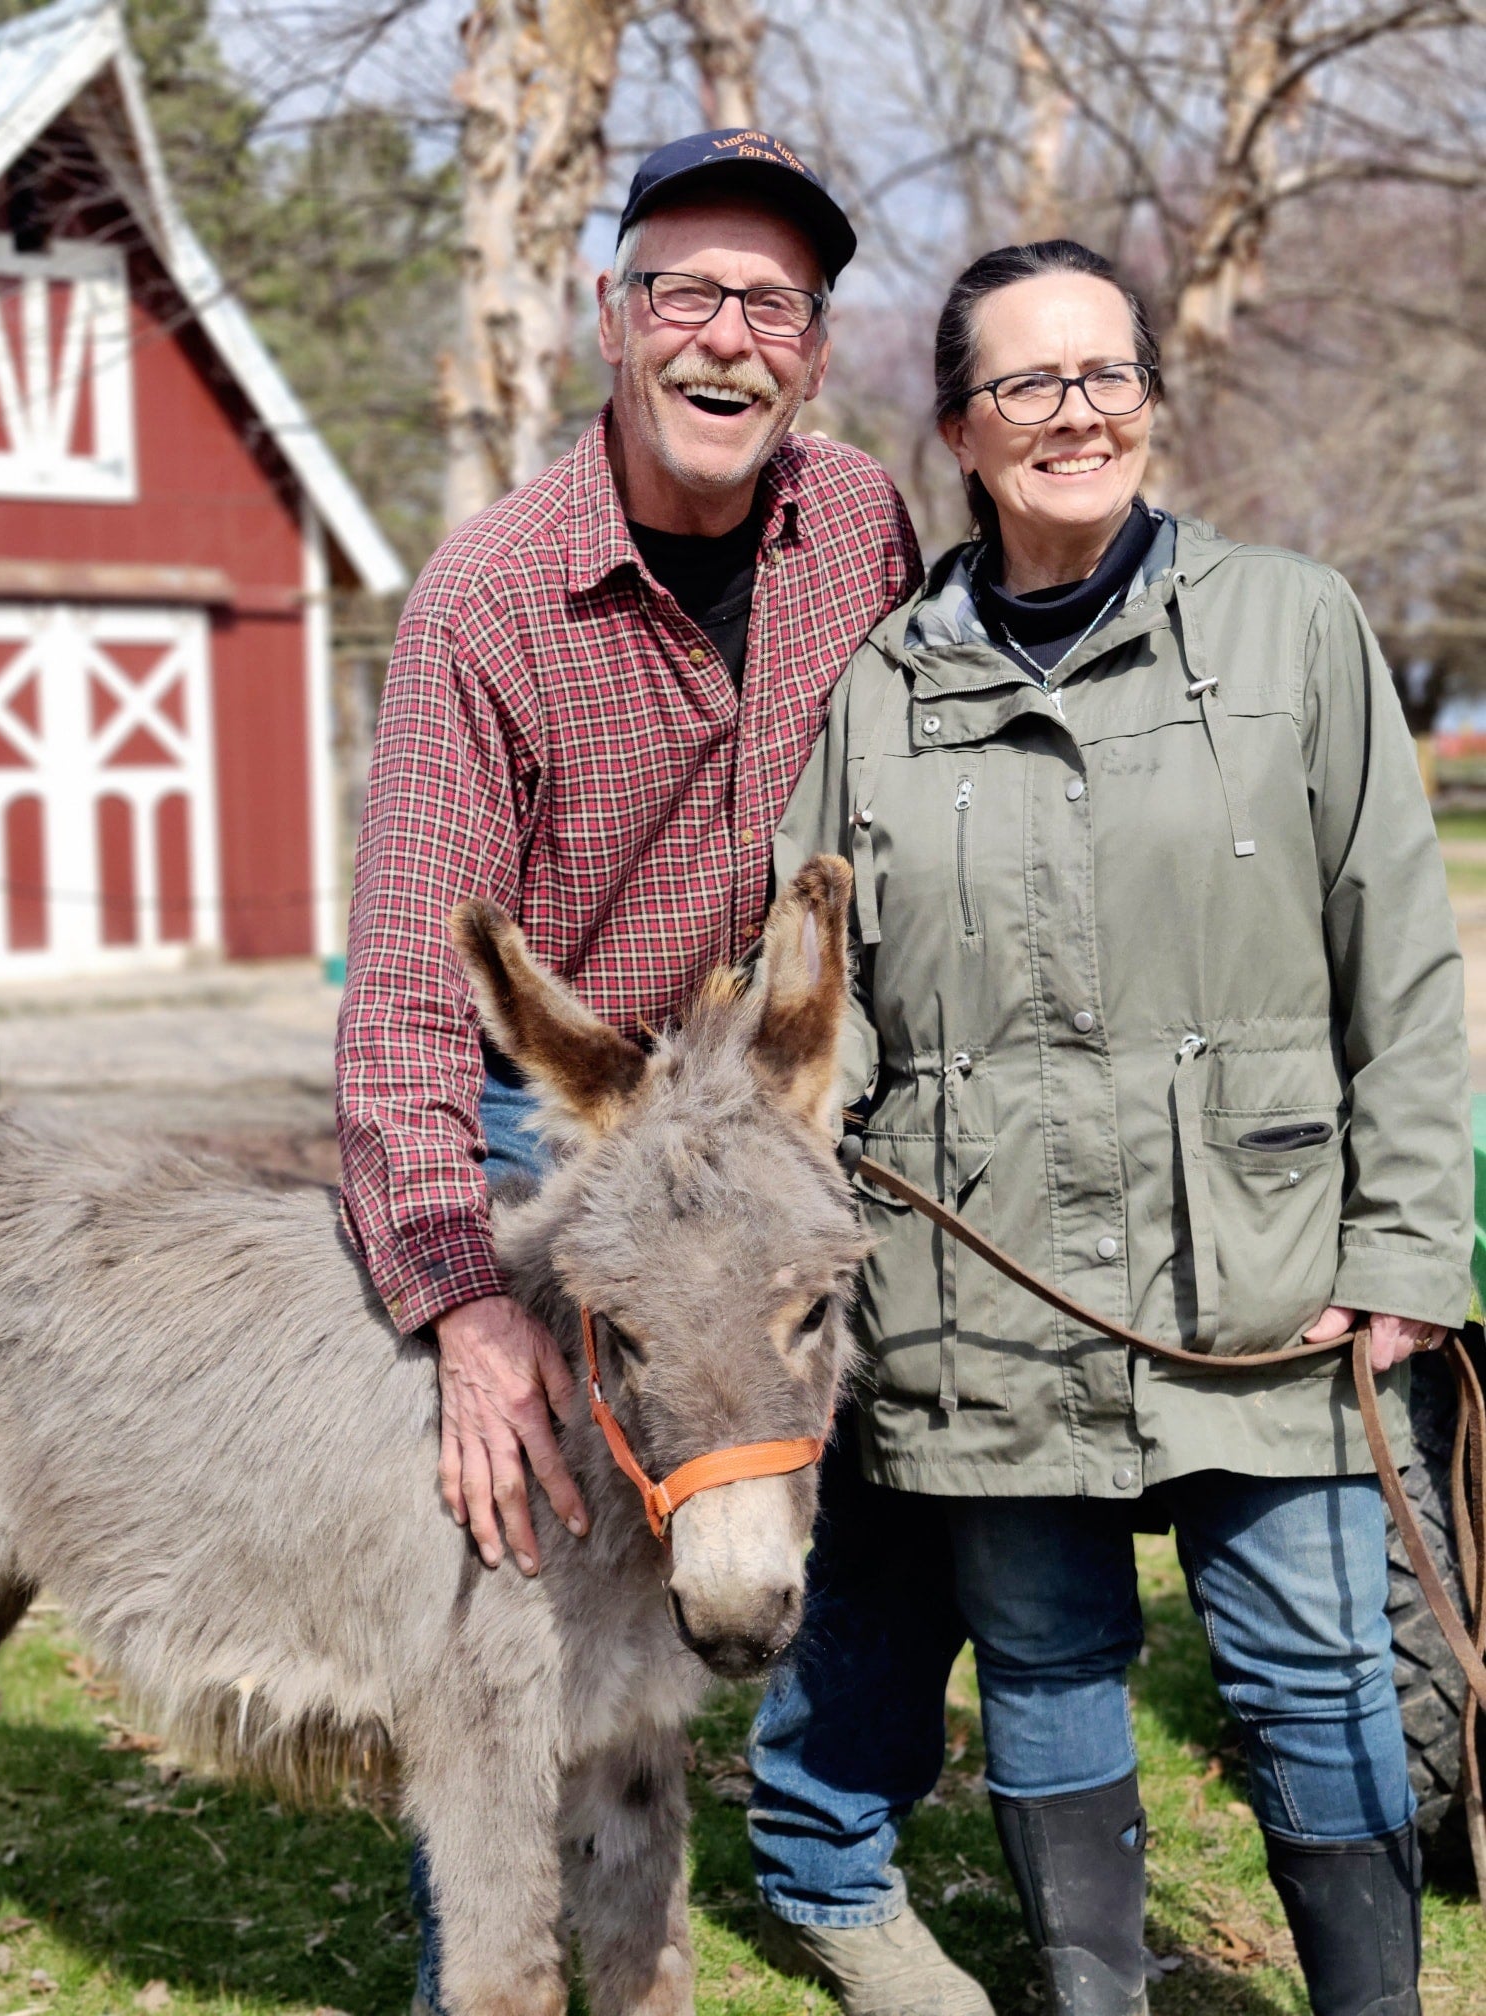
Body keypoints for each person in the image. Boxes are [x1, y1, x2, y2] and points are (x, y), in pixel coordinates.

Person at [749, 238, 1472, 2016]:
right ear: (958, 430)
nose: (1074, 413)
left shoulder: (1294, 627)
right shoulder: (883, 690)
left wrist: (1399, 1254)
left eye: (1106, 376)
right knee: (1054, 1668)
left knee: (1317, 1671)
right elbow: (810, 1013)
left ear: (1148, 398)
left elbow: (1405, 962)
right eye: (1027, 384)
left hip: (1260, 1277)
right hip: (980, 1294)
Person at [335, 129, 990, 2016]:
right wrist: (461, 1306)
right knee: (525, 1509)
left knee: (811, 1451)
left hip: (767, 1089)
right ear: (612, 320)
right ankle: (495, 1897)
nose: (725, 338)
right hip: (573, 1107)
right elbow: (403, 992)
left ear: (812, 343)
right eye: (683, 293)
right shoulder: (487, 598)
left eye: (768, 305)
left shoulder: (855, 521)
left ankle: (825, 1858)